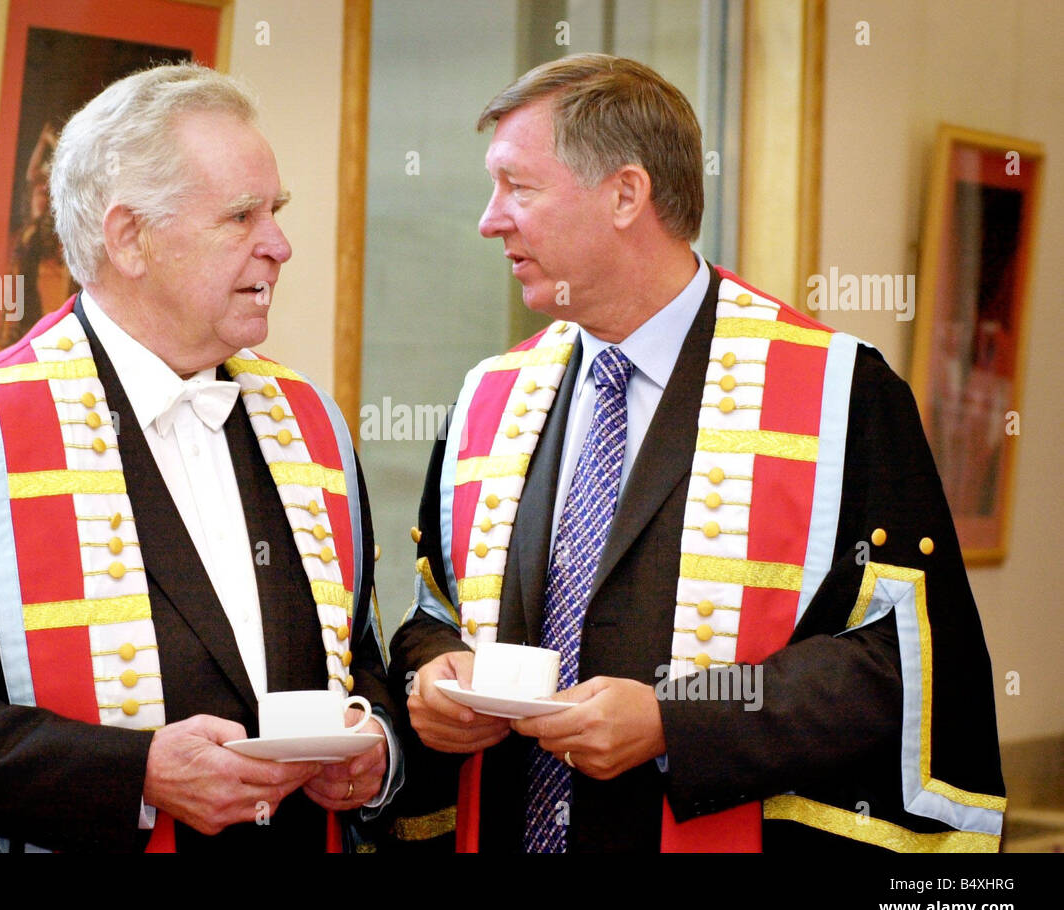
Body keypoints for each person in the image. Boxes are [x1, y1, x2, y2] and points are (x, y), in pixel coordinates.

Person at [387, 54, 1003, 853]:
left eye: (519, 187)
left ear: (625, 194)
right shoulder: (490, 395)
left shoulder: (840, 391)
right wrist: (431, 674)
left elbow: (907, 662)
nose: (489, 218)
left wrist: (679, 723)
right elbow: (433, 612)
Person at [0, 63, 400, 853]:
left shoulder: (310, 423)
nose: (280, 245)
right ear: (129, 238)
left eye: (276, 211)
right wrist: (134, 771)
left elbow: (357, 657)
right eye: (242, 216)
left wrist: (376, 750)